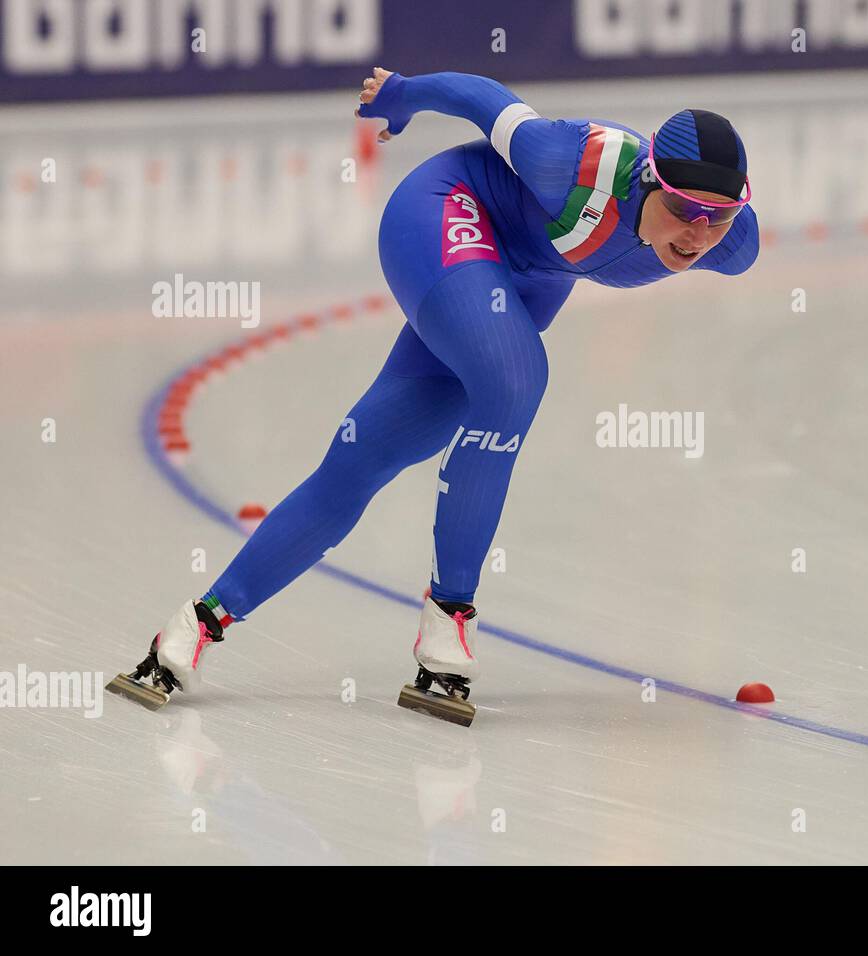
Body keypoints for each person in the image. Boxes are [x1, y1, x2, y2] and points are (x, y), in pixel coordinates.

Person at [130, 68, 759, 708]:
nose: (698, 233)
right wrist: (399, 94)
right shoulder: (570, 162)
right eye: (684, 209)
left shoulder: (731, 243)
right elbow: (480, 97)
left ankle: (197, 623)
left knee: (364, 455)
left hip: (526, 280)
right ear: (649, 178)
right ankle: (451, 611)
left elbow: (714, 227)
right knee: (516, 379)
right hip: (448, 211)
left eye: (718, 217)